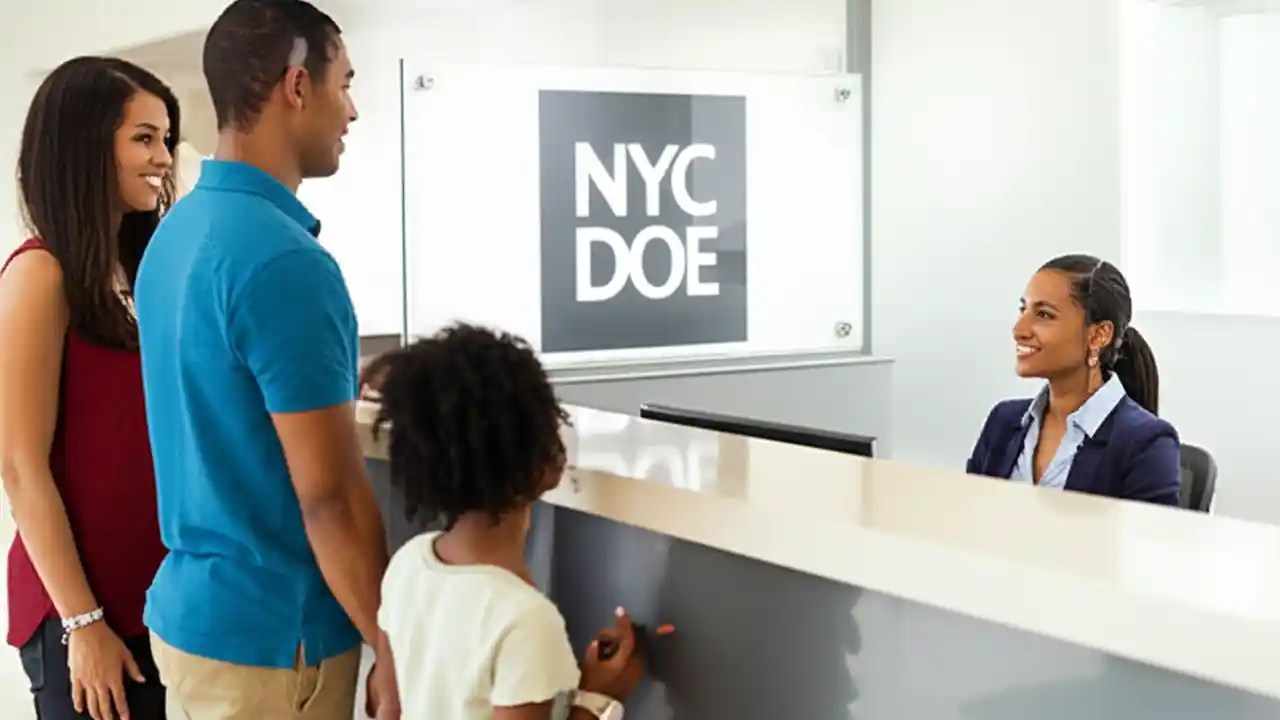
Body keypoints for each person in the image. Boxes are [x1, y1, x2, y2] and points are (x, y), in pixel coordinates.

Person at [132, 1, 394, 717]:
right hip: (275, 644)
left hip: (193, 624)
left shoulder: (175, 234)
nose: (352, 111)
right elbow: (329, 498)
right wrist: (392, 644)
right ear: (297, 86)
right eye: (345, 83)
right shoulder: (285, 261)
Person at [0, 56, 179, 720]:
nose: (164, 158)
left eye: (165, 138)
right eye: (144, 138)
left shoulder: (133, 274)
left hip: (157, 607)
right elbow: (18, 465)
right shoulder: (40, 274)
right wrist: (83, 622)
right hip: (87, 619)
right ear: (85, 144)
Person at [366, 323, 644, 720]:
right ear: (539, 455)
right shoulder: (525, 621)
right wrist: (600, 696)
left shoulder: (408, 564)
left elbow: (389, 709)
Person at [966, 254, 1181, 506]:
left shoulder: (1148, 442)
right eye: (1023, 309)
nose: (1019, 330)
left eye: (1044, 314)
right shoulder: (1003, 421)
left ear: (1099, 335)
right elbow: (971, 517)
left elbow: (1146, 533)